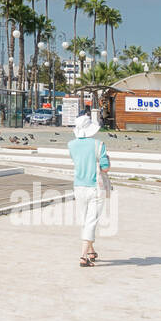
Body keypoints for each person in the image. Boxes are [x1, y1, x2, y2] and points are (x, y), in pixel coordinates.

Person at [68, 107, 111, 267]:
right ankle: (83, 256)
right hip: (95, 187)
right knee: (91, 221)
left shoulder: (71, 145)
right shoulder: (99, 144)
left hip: (79, 186)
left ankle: (91, 251)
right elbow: (105, 168)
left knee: (84, 220)